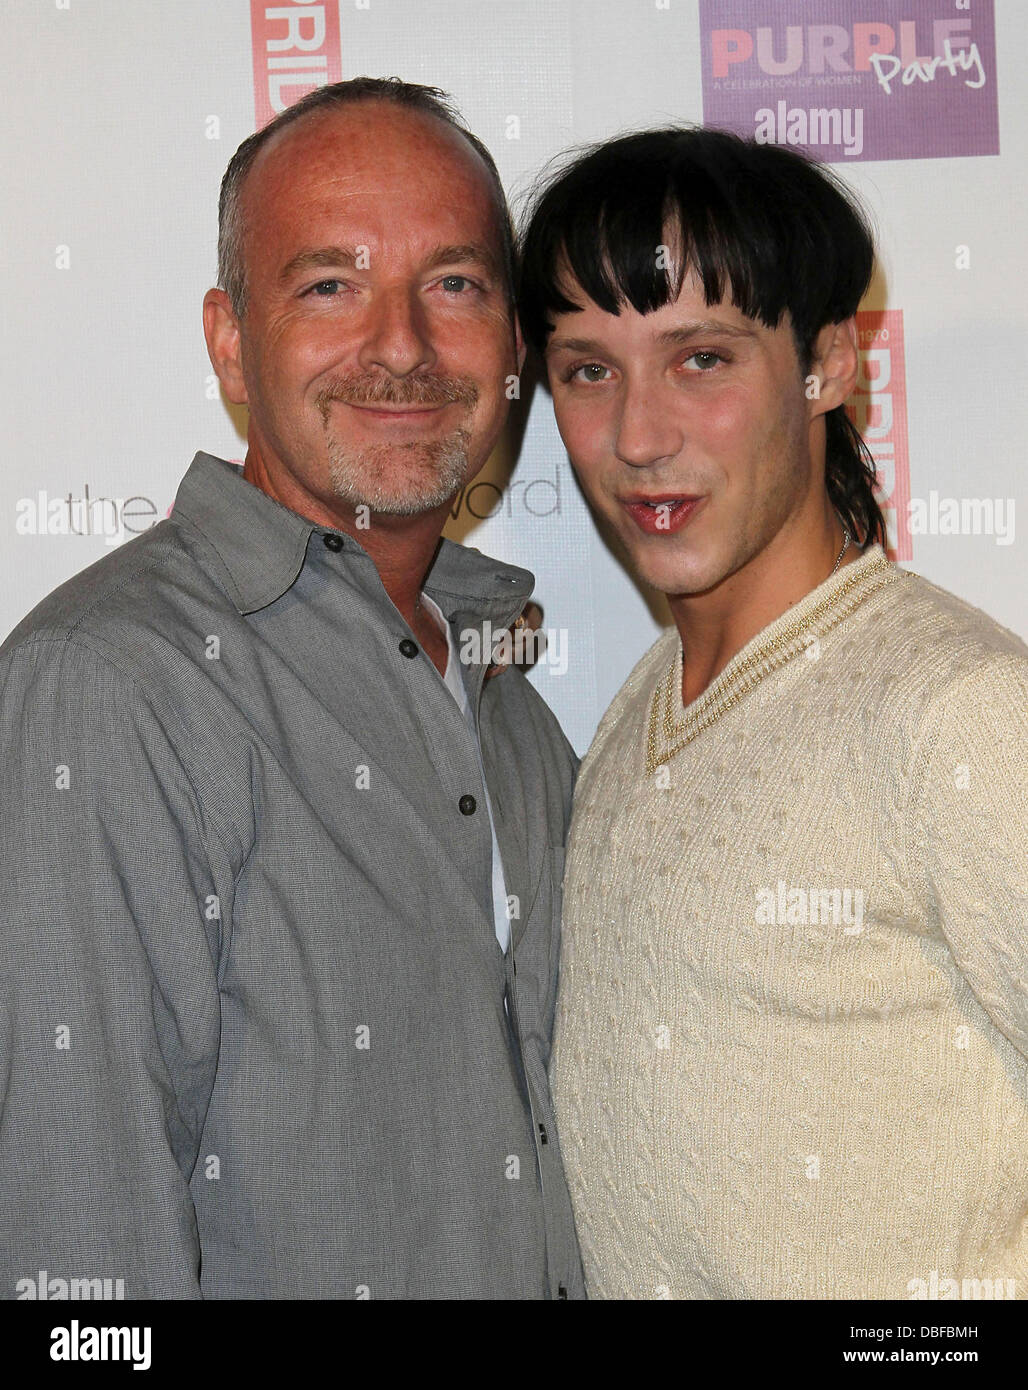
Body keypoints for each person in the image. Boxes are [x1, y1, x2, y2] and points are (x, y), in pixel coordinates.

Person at [0, 78, 584, 1301]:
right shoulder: (112, 683)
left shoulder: (510, 706)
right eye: (330, 284)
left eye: (455, 285)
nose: (402, 346)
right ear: (227, 338)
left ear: (514, 341)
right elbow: (77, 1254)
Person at [518, 126, 1028, 1300]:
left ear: (827, 365)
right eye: (588, 369)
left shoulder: (957, 715)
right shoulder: (636, 712)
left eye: (701, 359)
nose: (638, 438)